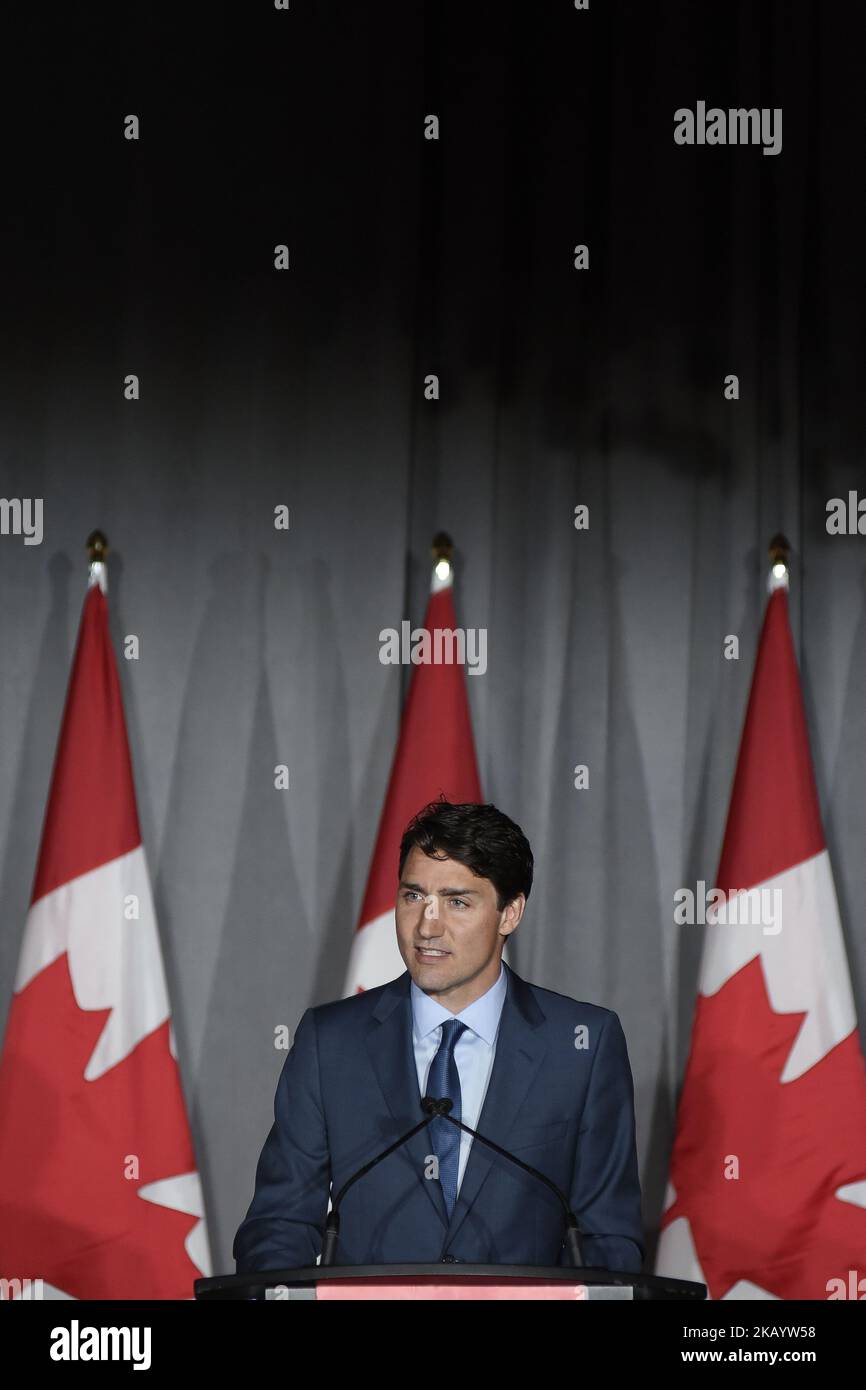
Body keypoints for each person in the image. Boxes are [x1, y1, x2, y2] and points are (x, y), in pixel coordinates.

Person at [233, 799, 644, 1271]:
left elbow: (608, 1237)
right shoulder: (330, 1042)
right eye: (413, 896)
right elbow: (279, 1223)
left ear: (510, 913)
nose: (427, 926)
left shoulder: (582, 1045)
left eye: (457, 902)